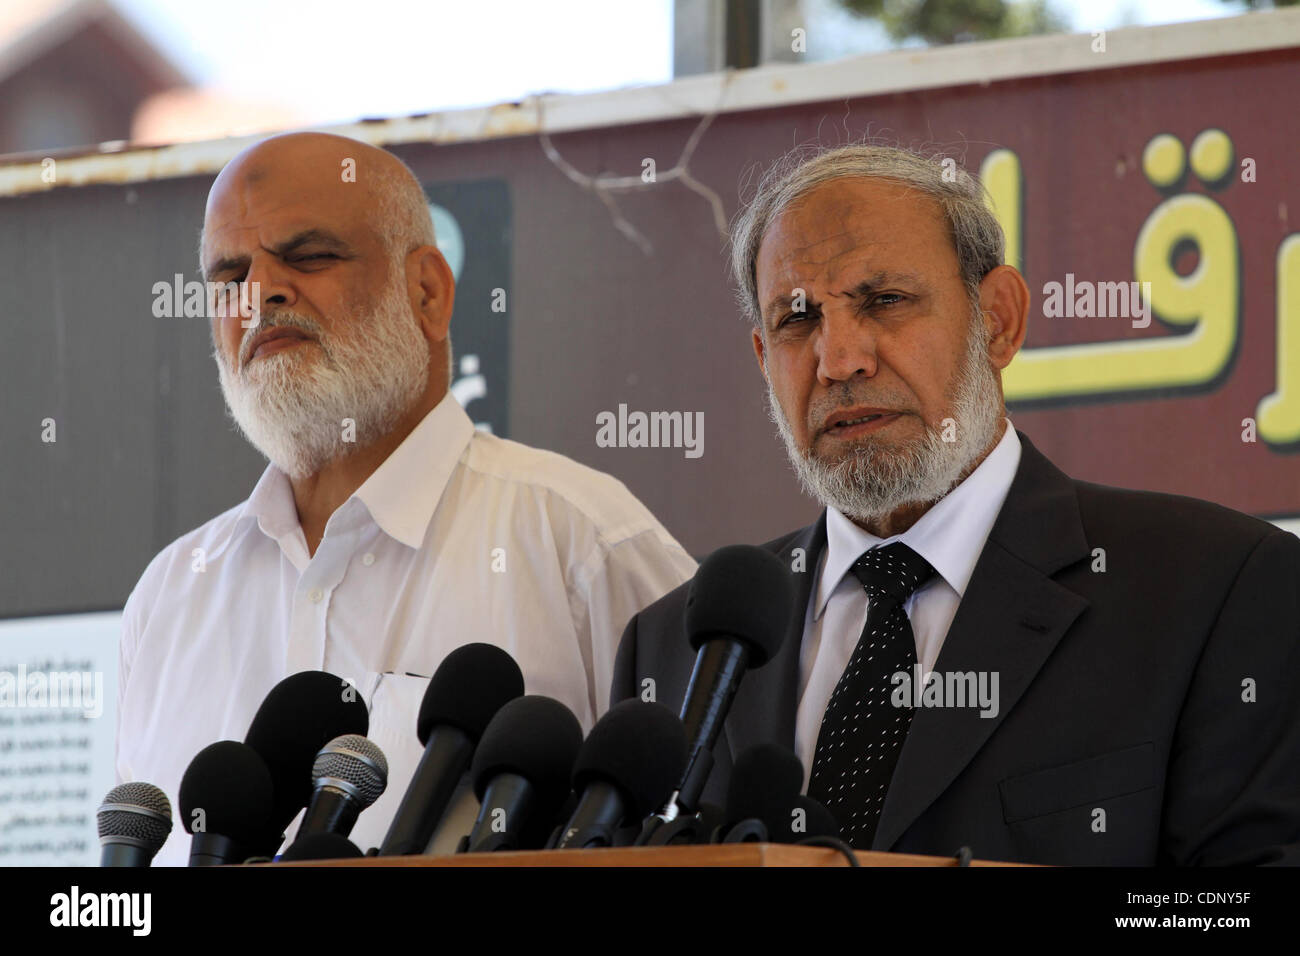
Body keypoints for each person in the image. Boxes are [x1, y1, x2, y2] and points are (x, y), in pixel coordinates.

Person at [612, 144, 1300, 865]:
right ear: (763, 357)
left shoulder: (1218, 592)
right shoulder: (674, 648)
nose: (838, 359)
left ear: (997, 320)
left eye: (884, 301)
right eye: (797, 318)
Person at [117, 132, 695, 865]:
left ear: (427, 291)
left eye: (308, 255)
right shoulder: (168, 599)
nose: (259, 293)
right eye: (229, 275)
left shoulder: (583, 543)